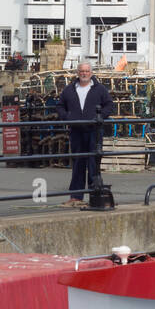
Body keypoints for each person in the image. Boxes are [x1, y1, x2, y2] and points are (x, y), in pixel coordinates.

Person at [56, 61, 113, 206]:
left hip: (94, 130)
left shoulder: (100, 89)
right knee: (78, 163)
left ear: (91, 73)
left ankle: (95, 195)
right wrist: (67, 117)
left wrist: (100, 117)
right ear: (77, 72)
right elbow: (60, 106)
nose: (84, 73)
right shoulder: (69, 90)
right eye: (81, 71)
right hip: (76, 130)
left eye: (87, 71)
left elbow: (109, 105)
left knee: (94, 163)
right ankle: (76, 196)